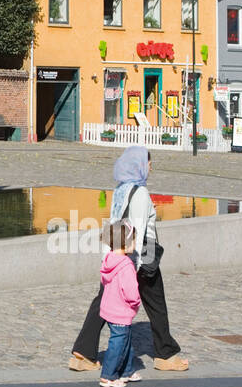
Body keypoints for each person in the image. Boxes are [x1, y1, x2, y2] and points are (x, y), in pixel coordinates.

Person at [68, 145, 190, 372]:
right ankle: (165, 354)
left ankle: (83, 352)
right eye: (148, 163)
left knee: (104, 299)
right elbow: (139, 229)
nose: (150, 168)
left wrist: (110, 257)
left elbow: (115, 224)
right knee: (156, 304)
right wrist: (135, 265)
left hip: (118, 251)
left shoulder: (122, 189)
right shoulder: (141, 193)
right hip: (141, 255)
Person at [98, 220, 141, 387]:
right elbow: (131, 290)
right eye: (134, 241)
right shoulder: (126, 265)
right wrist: (135, 301)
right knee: (118, 342)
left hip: (110, 309)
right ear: (126, 243)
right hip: (120, 311)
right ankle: (108, 375)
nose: (135, 245)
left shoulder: (109, 259)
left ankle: (126, 371)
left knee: (126, 340)